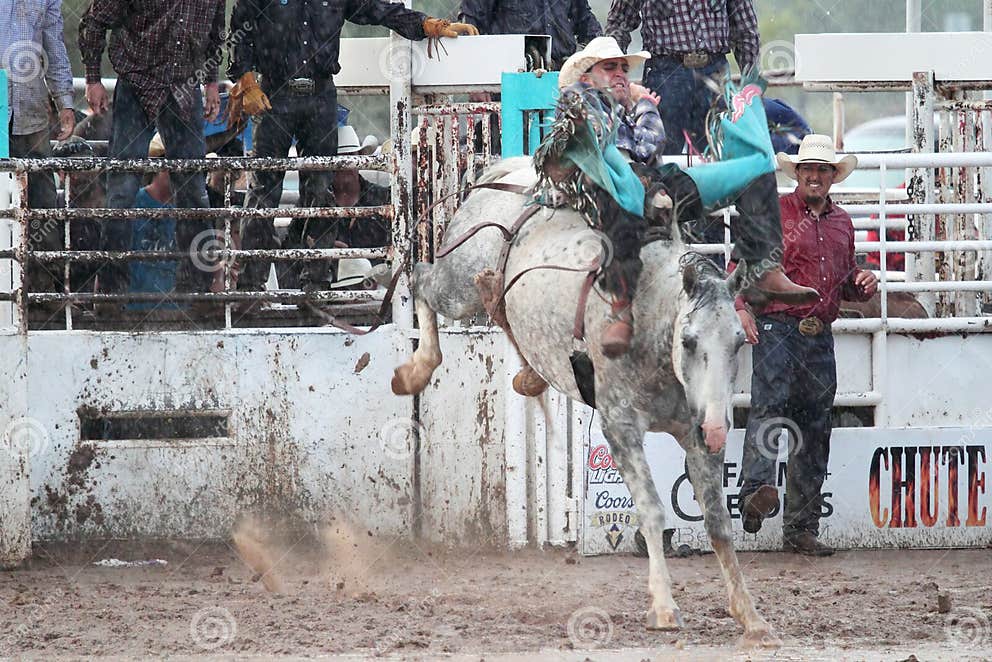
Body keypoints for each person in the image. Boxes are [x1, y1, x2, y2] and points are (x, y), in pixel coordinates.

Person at [534, 37, 816, 363]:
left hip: (649, 182)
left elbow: (650, 145)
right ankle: (620, 307)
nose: (620, 74)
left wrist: (638, 105)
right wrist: (641, 105)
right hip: (606, 186)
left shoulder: (620, 110)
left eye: (623, 68)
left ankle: (762, 266)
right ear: (586, 76)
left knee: (755, 170)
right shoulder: (580, 103)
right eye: (609, 67)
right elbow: (635, 146)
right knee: (625, 195)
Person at [227, 0, 478, 301]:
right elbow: (240, 28)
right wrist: (243, 77)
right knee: (265, 187)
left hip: (317, 92)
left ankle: (315, 284)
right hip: (278, 91)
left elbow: (377, 9)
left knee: (319, 187)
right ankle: (251, 287)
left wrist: (423, 24)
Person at [736, 134, 878, 557]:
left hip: (818, 333)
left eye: (822, 170)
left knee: (814, 427)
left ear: (832, 176)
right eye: (808, 169)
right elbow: (743, 263)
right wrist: (742, 306)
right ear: (797, 174)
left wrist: (860, 282)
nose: (814, 176)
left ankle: (800, 526)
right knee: (771, 406)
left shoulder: (842, 223)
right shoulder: (776, 214)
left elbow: (844, 278)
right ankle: (756, 493)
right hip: (778, 325)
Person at [79, 0, 225, 313]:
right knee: (122, 190)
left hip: (183, 83)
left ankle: (196, 292)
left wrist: (211, 81)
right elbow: (94, 21)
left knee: (194, 192)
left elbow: (213, 32)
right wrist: (92, 78)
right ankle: (111, 293)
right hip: (138, 80)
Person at [605, 0, 759, 156]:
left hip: (715, 71)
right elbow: (619, 21)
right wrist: (615, 73)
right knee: (661, 153)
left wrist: (751, 85)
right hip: (665, 73)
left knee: (721, 149)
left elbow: (745, 29)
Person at [2, 0, 76, 295]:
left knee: (43, 202)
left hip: (30, 111)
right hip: (8, 104)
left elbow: (54, 47)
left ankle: (44, 291)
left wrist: (65, 103)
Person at [458, 0, 602, 70]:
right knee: (510, 128)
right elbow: (470, 24)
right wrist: (476, 80)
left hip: (560, 79)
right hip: (509, 79)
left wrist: (603, 61)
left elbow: (585, 21)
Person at [50, 137, 103, 297]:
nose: (79, 175)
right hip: (66, 297)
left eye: (85, 167)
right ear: (60, 174)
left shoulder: (110, 205)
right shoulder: (55, 206)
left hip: (100, 302)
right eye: (74, 169)